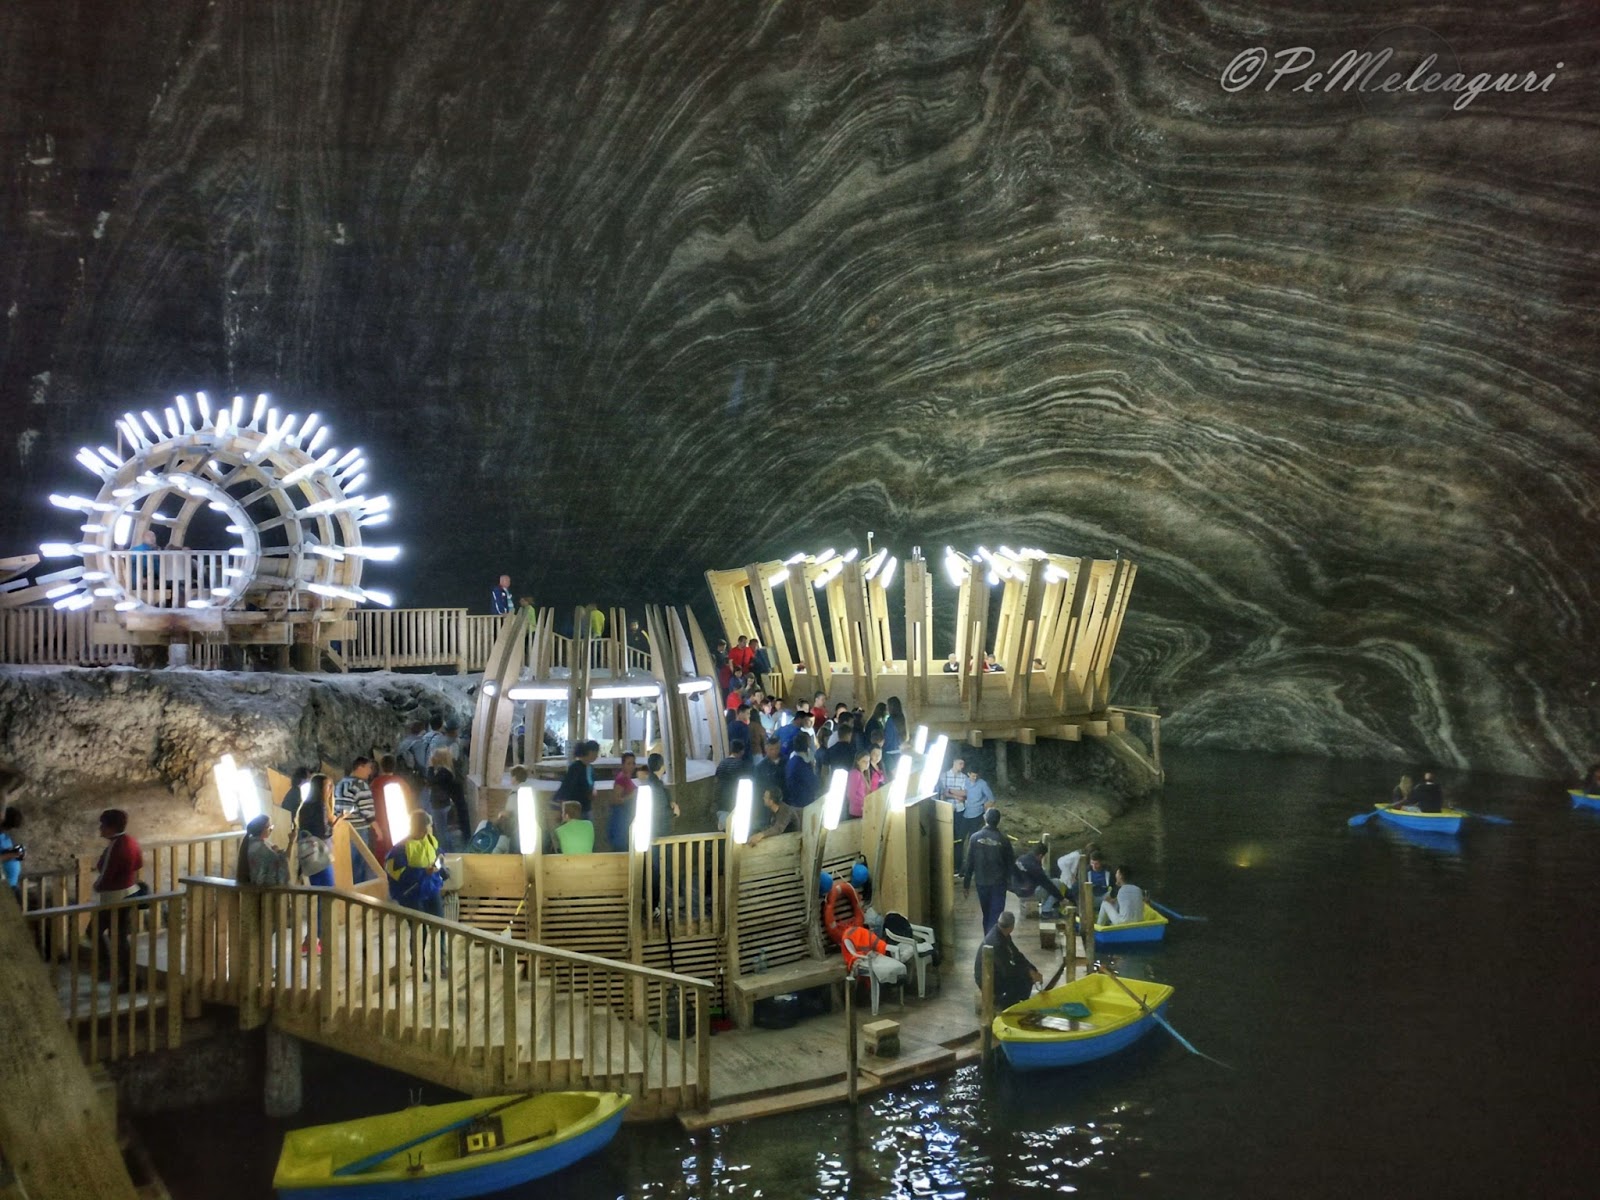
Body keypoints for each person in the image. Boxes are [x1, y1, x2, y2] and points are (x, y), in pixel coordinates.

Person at [385, 810, 447, 975]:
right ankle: (419, 966)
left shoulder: (430, 840)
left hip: (431, 888)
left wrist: (439, 866)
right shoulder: (400, 849)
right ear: (416, 828)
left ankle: (441, 963)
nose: (427, 831)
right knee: (420, 930)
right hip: (411, 894)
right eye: (424, 828)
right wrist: (422, 873)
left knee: (440, 925)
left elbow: (440, 855)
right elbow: (395, 872)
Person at [93, 808, 144, 982]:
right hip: (128, 892)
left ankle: (115, 972)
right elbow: (138, 864)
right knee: (119, 938)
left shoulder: (116, 847)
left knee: (97, 932)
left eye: (103, 825)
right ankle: (127, 977)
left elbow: (106, 874)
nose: (100, 829)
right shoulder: (131, 841)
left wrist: (97, 886)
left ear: (111, 827)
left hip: (114, 898)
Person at [974, 911, 1042, 1008]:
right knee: (1024, 980)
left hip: (997, 971)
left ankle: (1016, 1001)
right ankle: (1006, 1004)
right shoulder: (997, 943)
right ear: (1012, 927)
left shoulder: (1001, 932)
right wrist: (1028, 973)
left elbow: (1016, 955)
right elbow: (1006, 970)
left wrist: (1032, 969)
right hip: (986, 978)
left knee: (1025, 974)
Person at [962, 808, 1014, 934]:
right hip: (998, 883)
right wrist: (1011, 883)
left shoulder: (974, 838)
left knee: (986, 913)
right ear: (998, 821)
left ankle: (987, 941)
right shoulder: (1003, 840)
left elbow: (969, 863)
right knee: (996, 915)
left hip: (981, 882)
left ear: (985, 819)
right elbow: (1010, 864)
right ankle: (993, 942)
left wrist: (966, 884)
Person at [333, 757, 378, 880]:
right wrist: (378, 831)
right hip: (358, 831)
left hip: (341, 829)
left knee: (345, 864)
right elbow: (368, 812)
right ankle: (359, 894)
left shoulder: (341, 783)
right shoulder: (360, 785)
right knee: (359, 864)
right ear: (360, 767)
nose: (370, 771)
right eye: (368, 767)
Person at [1011, 840, 1066, 917]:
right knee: (1057, 883)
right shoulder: (1035, 867)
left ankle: (1046, 908)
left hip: (1018, 890)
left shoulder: (1021, 859)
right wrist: (1061, 898)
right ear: (1040, 856)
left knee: (1046, 879)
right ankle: (1046, 911)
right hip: (1028, 893)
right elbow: (1047, 885)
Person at [237, 814, 289, 886]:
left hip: (249, 888)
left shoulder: (249, 843)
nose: (271, 829)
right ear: (262, 829)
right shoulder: (263, 849)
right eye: (269, 827)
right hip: (263, 891)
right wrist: (278, 853)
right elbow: (280, 867)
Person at [554, 741, 599, 818]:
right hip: (574, 808)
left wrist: (593, 790)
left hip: (586, 806)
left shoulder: (591, 768)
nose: (597, 756)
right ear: (590, 752)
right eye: (596, 753)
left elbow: (590, 784)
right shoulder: (575, 768)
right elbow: (567, 787)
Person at [714, 741, 751, 832]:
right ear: (742, 751)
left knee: (723, 829)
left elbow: (716, 781)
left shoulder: (722, 764)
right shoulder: (741, 765)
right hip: (734, 801)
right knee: (734, 830)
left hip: (721, 802)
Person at [608, 751, 638, 851]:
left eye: (633, 763)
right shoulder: (621, 779)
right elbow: (615, 800)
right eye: (628, 763)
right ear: (623, 765)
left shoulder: (627, 779)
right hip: (621, 819)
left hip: (626, 818)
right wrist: (632, 795)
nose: (632, 766)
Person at [784, 732, 821, 808]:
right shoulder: (801, 764)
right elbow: (813, 783)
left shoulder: (792, 761)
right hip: (802, 802)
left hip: (795, 800)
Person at [754, 737, 786, 808]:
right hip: (769, 805)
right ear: (766, 750)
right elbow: (758, 788)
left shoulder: (786, 762)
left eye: (777, 748)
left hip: (785, 801)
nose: (774, 751)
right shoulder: (760, 767)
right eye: (771, 749)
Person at [1, 806, 24, 897]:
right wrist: (12, 855)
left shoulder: (5, 836)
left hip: (13, 884)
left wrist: (16, 853)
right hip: (5, 887)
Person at [845, 749, 871, 820]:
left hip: (864, 809)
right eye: (864, 761)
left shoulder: (863, 773)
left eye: (868, 761)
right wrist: (864, 803)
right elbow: (851, 795)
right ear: (857, 761)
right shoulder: (854, 774)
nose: (867, 764)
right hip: (856, 811)